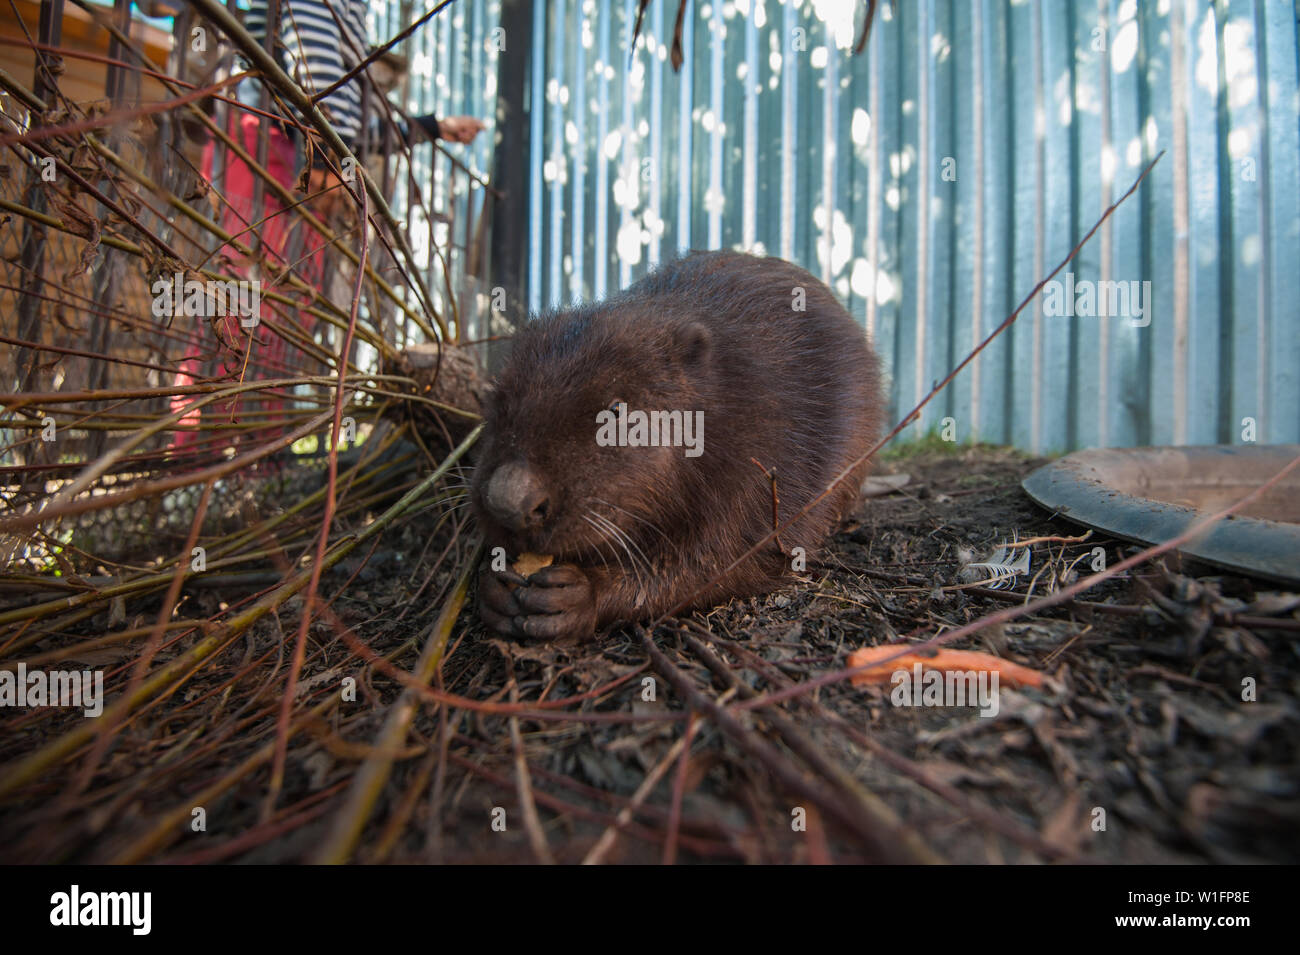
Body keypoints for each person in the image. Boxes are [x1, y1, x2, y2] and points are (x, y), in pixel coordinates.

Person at [171, 0, 484, 452]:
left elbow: (346, 116)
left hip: (296, 145)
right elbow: (316, 76)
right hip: (281, 148)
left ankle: (254, 454)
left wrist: (431, 127)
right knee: (246, 304)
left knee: (277, 312)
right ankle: (202, 451)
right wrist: (324, 154)